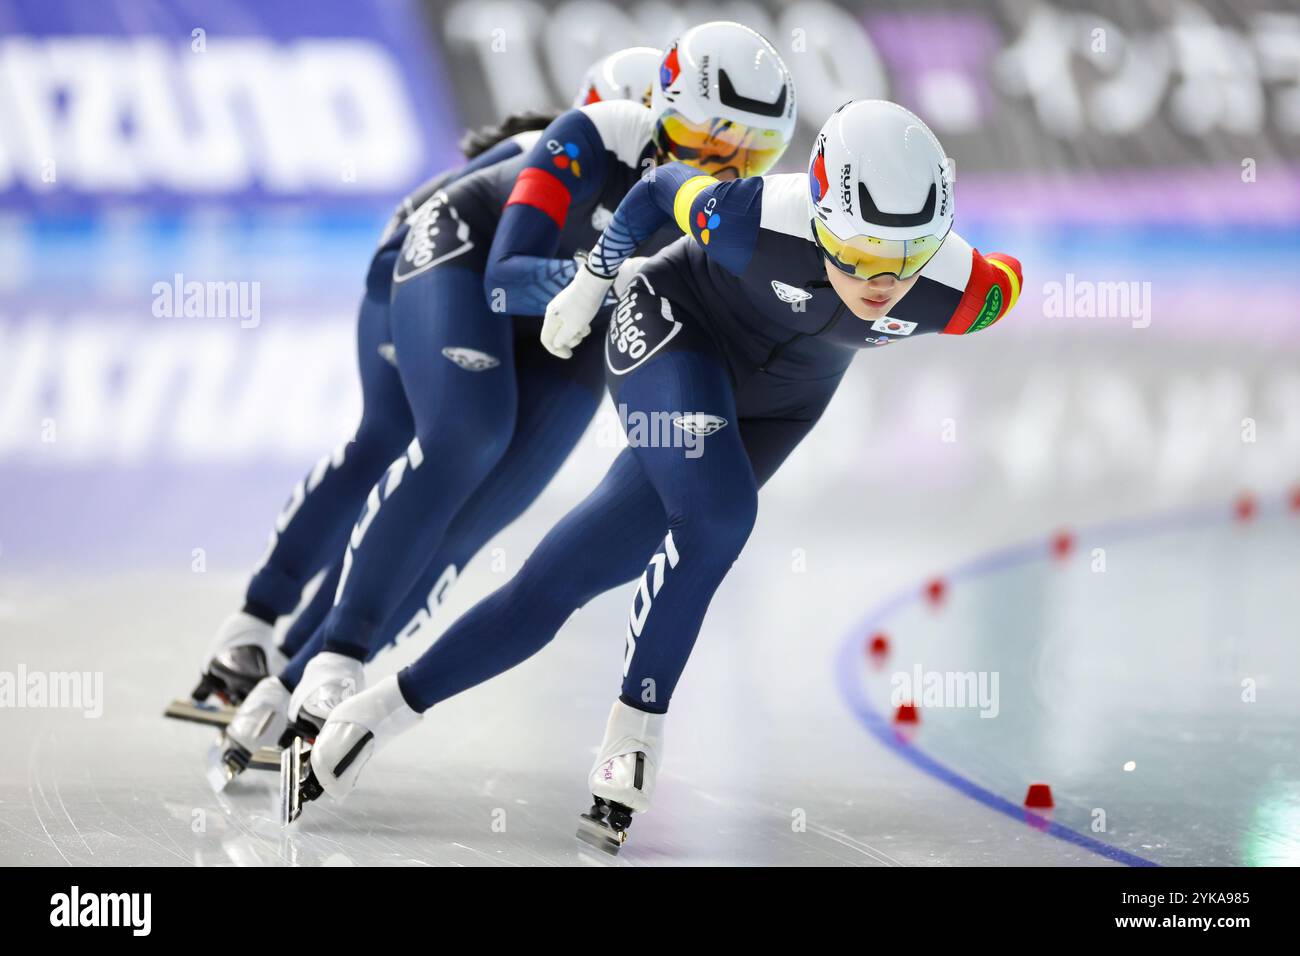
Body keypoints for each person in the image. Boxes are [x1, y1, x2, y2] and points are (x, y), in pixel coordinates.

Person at [286, 98, 1023, 848]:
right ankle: (635, 732)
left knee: (560, 580)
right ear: (822, 217)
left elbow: (1007, 278)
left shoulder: (969, 293)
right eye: (858, 254)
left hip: (785, 404)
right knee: (721, 518)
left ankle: (380, 711)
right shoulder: (752, 216)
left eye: (906, 260)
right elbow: (651, 190)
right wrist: (588, 285)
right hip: (672, 325)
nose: (881, 282)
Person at [218, 23, 799, 775]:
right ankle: (336, 652)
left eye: (750, 155)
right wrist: (609, 280)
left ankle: (292, 679)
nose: (722, 168)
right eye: (708, 140)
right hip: (466, 263)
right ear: (661, 108)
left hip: (568, 329)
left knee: (470, 527)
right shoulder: (593, 133)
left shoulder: (727, 212)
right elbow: (506, 276)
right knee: (468, 436)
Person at [193, 50, 660, 712]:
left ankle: (301, 663)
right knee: (392, 439)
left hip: (540, 334)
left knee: (461, 516)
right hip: (432, 288)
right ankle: (252, 621)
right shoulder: (543, 148)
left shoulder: (673, 194)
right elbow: (431, 222)